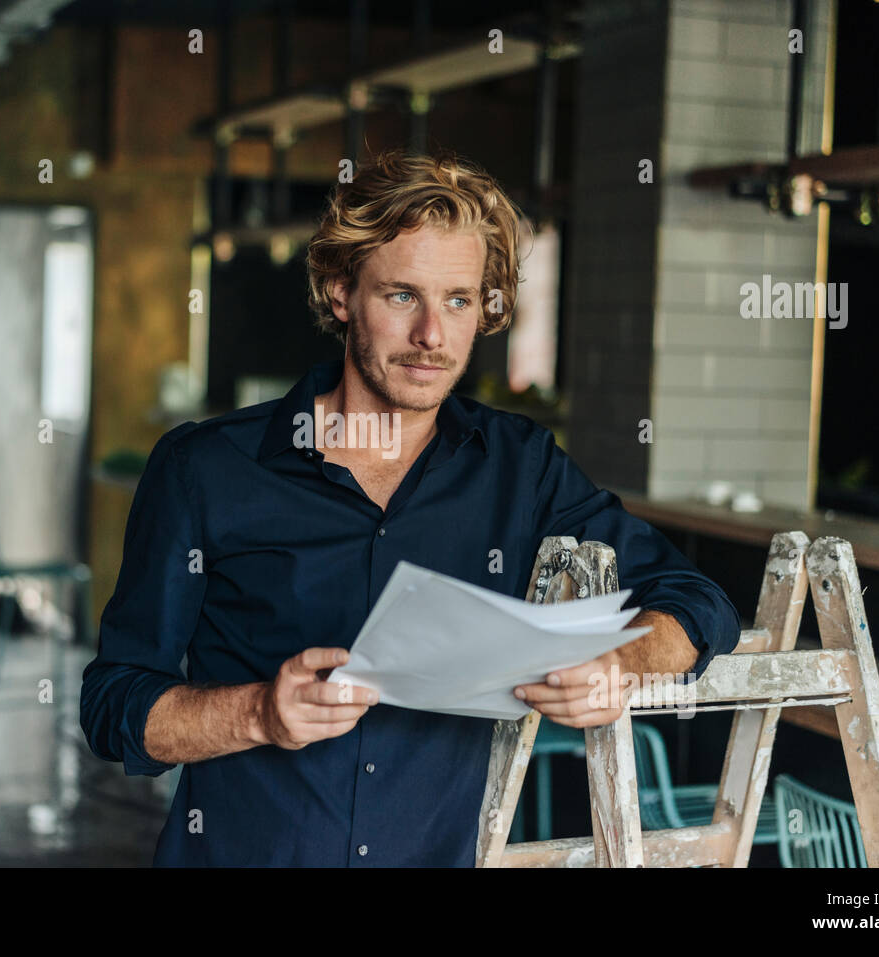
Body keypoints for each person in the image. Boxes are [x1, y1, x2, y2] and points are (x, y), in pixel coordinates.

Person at [80, 148, 740, 866]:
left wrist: (619, 662)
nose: (433, 335)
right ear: (340, 293)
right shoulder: (204, 468)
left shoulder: (519, 468)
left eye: (458, 300)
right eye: (402, 296)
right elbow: (115, 705)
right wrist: (260, 712)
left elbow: (700, 602)